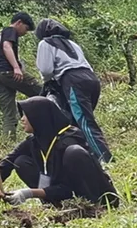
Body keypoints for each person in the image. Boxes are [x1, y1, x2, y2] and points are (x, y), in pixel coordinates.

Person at [0, 96, 119, 208]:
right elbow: (8, 161)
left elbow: (69, 188)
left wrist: (28, 193)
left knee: (74, 153)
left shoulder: (70, 140)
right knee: (20, 162)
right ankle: (53, 204)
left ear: (39, 117)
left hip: (88, 195)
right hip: (60, 192)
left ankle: (92, 205)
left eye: (26, 115)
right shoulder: (35, 140)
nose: (22, 119)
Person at [34, 18, 112, 163]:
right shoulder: (73, 44)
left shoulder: (45, 43)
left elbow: (46, 69)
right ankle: (84, 155)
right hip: (91, 79)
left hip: (72, 80)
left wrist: (47, 82)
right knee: (74, 120)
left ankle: (104, 158)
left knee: (85, 121)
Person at [0, 12, 40, 139]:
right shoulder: (10, 31)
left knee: (8, 112)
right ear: (19, 23)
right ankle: (50, 124)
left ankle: (8, 140)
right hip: (7, 72)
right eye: (26, 29)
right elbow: (7, 47)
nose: (25, 32)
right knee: (41, 92)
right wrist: (16, 67)